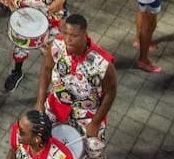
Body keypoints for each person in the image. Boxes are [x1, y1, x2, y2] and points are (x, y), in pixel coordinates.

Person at [35, 14, 116, 159]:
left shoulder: (103, 63)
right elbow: (46, 69)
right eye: (65, 33)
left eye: (74, 35)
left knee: (93, 151)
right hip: (56, 106)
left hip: (88, 115)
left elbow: (110, 94)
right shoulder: (57, 46)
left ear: (85, 35)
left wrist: (96, 123)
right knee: (45, 142)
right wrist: (40, 102)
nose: (67, 39)